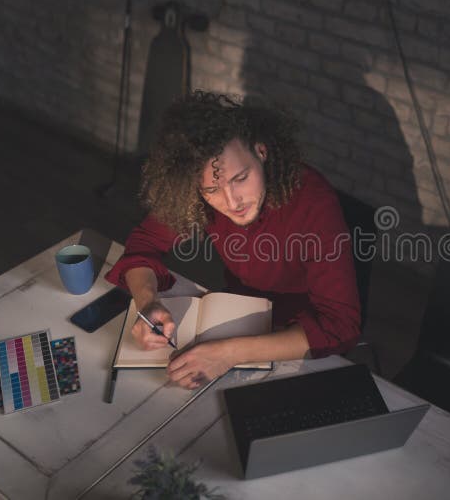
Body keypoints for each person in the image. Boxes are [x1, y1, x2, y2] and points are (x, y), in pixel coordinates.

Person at [105, 91, 361, 389]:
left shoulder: (314, 204)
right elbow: (145, 242)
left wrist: (228, 354)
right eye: (212, 191)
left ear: (260, 152)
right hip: (236, 311)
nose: (232, 201)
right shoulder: (199, 195)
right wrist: (147, 303)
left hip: (294, 335)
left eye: (240, 178)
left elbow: (340, 326)